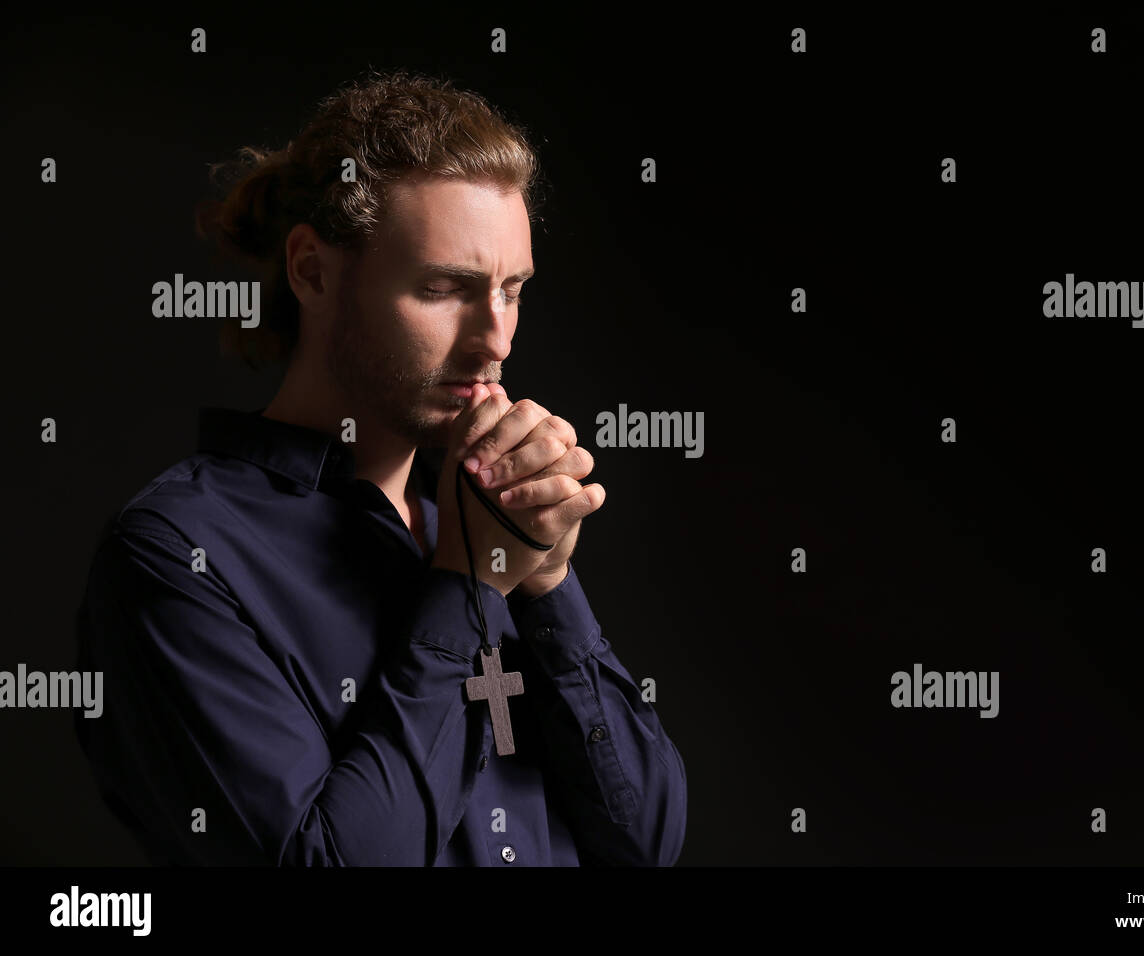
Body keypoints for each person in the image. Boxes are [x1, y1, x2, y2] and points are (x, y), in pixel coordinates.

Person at [73, 68, 688, 866]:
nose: (495, 339)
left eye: (512, 290)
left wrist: (545, 582)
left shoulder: (478, 518)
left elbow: (647, 843)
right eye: (444, 289)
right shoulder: (176, 556)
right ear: (312, 271)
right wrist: (463, 590)